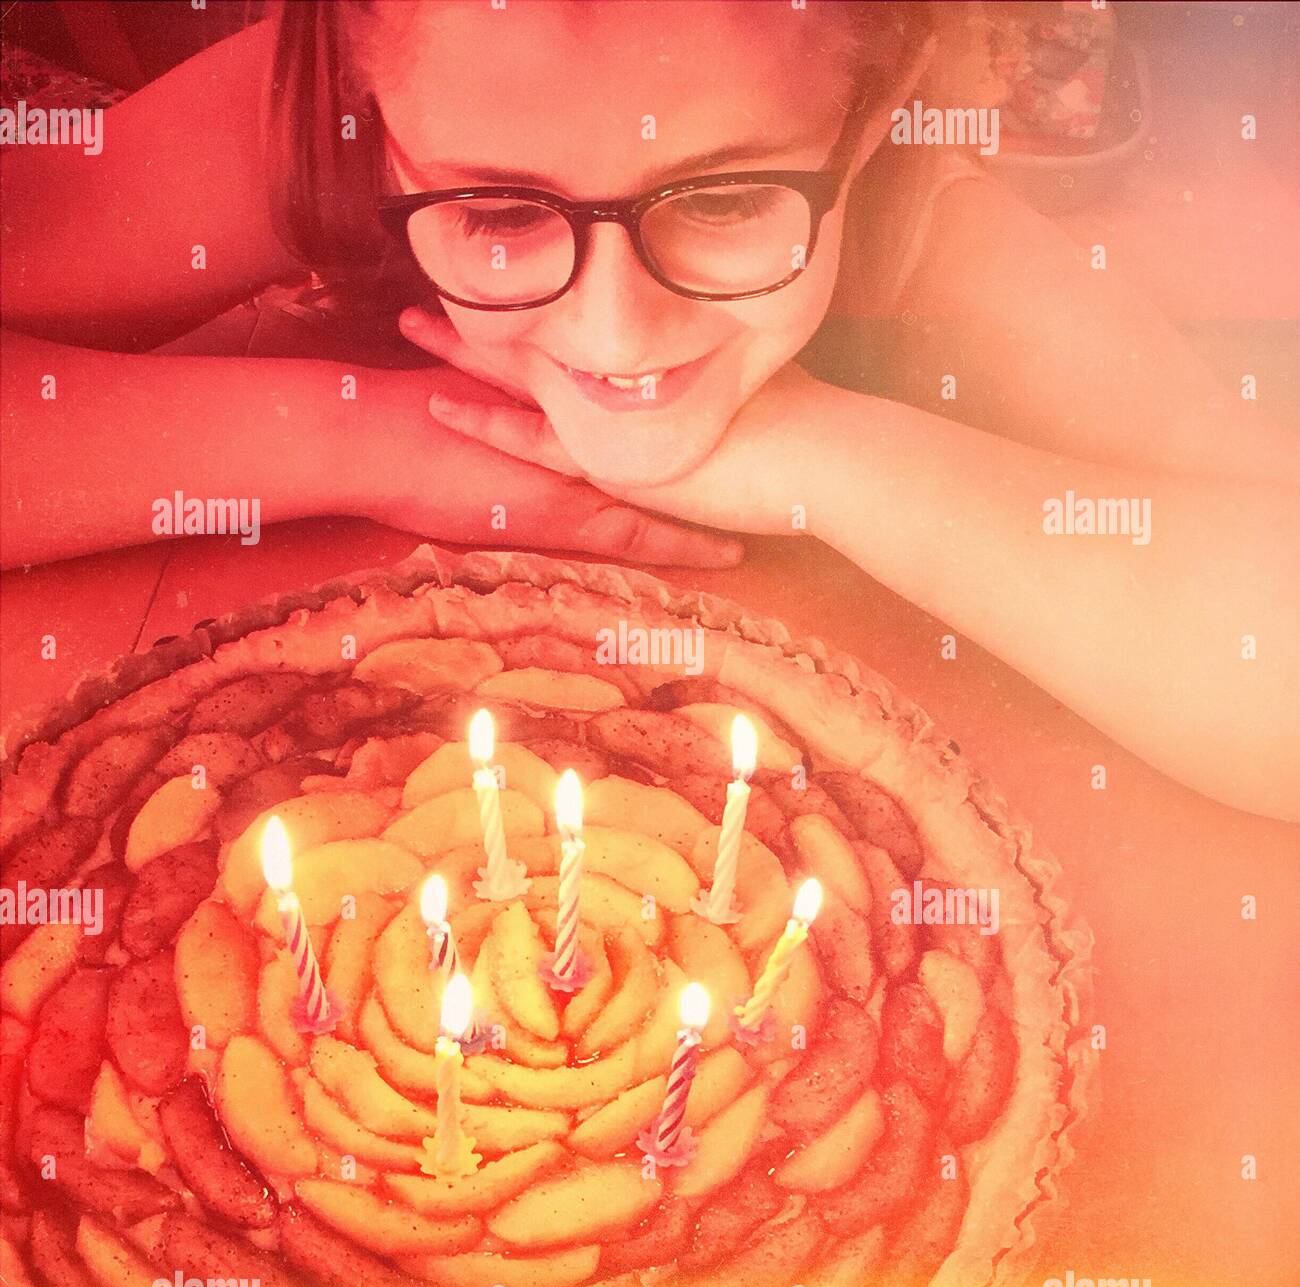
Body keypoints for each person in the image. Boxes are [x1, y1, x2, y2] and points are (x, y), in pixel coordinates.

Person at [1, 1, 1295, 818]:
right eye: (499, 212)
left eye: (726, 202)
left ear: (873, 120)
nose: (615, 336)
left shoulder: (921, 226)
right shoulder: (308, 123)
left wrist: (819, 457)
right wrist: (368, 437)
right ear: (374, 122)